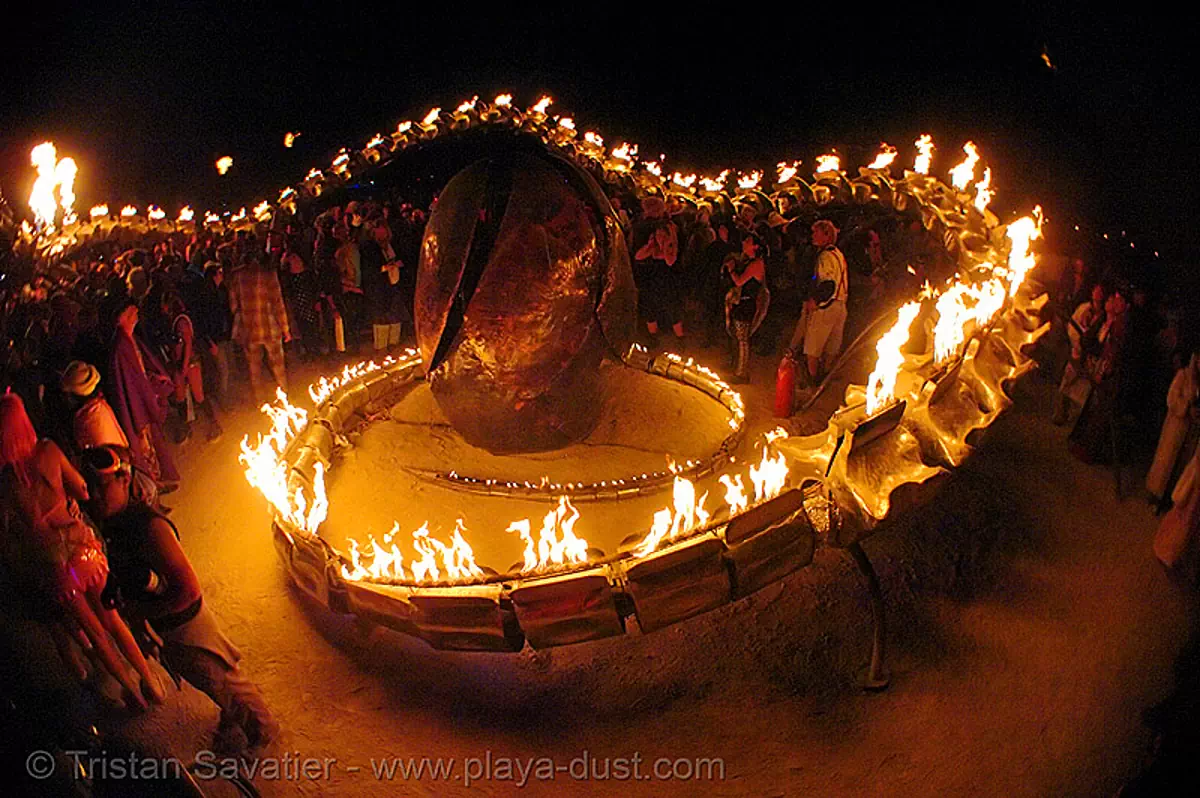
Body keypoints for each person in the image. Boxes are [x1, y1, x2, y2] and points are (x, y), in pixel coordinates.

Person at [81, 446, 278, 752]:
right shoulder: (115, 526)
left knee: (222, 680)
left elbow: (188, 590)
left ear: (125, 480)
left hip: (186, 625)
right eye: (90, 486)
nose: (94, 495)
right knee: (208, 680)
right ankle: (233, 715)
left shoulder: (151, 527)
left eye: (102, 485)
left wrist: (144, 613)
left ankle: (262, 731)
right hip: (167, 626)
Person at [0, 394, 163, 708]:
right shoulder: (47, 450)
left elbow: (10, 538)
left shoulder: (5, 485)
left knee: (97, 636)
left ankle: (132, 693)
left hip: (57, 571)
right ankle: (150, 682)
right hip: (82, 553)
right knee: (113, 620)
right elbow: (83, 489)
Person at [107, 299, 180, 491]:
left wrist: (154, 379)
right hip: (136, 405)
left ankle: (157, 484)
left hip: (144, 397)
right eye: (131, 313)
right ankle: (152, 490)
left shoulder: (131, 339)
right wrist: (144, 400)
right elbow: (128, 382)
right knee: (143, 450)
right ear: (122, 318)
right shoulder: (120, 347)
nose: (136, 316)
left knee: (152, 446)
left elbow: (141, 368)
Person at [1069, 289, 1131, 465]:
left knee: (1099, 414)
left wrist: (1103, 372)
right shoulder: (1115, 321)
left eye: (1119, 300)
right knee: (1093, 409)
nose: (1115, 302)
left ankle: (1088, 450)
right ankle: (1083, 445)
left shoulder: (1122, 324)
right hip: (1104, 371)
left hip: (1110, 377)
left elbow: (1113, 352)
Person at [228, 248, 292, 403]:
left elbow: (233, 306)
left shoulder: (237, 276)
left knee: (254, 370)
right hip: (270, 328)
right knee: (278, 367)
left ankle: (260, 401)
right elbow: (278, 304)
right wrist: (286, 330)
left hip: (249, 330)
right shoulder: (269, 275)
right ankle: (283, 398)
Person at [793, 219, 848, 385]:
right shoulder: (838, 254)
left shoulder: (825, 256)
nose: (812, 236)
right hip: (841, 305)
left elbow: (828, 283)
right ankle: (825, 375)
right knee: (832, 346)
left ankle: (813, 381)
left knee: (812, 348)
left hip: (826, 307)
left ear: (826, 235)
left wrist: (815, 300)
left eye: (816, 232)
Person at [163, 291, 222, 442]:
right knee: (180, 397)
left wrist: (184, 367)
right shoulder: (173, 321)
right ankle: (185, 430)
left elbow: (187, 344)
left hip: (190, 364)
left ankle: (215, 426)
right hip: (181, 364)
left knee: (198, 396)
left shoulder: (181, 322)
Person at [1147, 351, 1200, 513]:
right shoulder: (1183, 376)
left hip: (1190, 433)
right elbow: (1171, 398)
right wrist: (1185, 407)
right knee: (1166, 463)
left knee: (1179, 468)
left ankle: (1169, 499)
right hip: (1175, 429)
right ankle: (1156, 495)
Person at [1053, 283, 1106, 425]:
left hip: (1089, 357)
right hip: (1076, 351)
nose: (1098, 294)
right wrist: (1077, 344)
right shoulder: (1084, 308)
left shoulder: (1104, 317)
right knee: (1067, 381)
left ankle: (1075, 418)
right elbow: (1072, 326)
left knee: (1081, 388)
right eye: (1096, 291)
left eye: (1101, 292)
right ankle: (1061, 412)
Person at [722, 233, 769, 383]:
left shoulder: (757, 264)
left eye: (748, 241)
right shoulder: (748, 260)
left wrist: (731, 270)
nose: (744, 243)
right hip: (740, 302)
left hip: (747, 304)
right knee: (736, 335)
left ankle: (742, 373)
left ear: (755, 246)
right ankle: (735, 365)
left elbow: (739, 281)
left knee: (743, 339)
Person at [359, 216, 410, 352]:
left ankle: (394, 346)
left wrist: (399, 264)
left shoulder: (393, 245)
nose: (382, 235)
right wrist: (386, 267)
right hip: (379, 289)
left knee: (395, 316)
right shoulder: (369, 248)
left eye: (384, 232)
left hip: (395, 285)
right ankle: (381, 349)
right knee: (382, 318)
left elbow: (404, 258)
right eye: (378, 233)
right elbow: (369, 269)